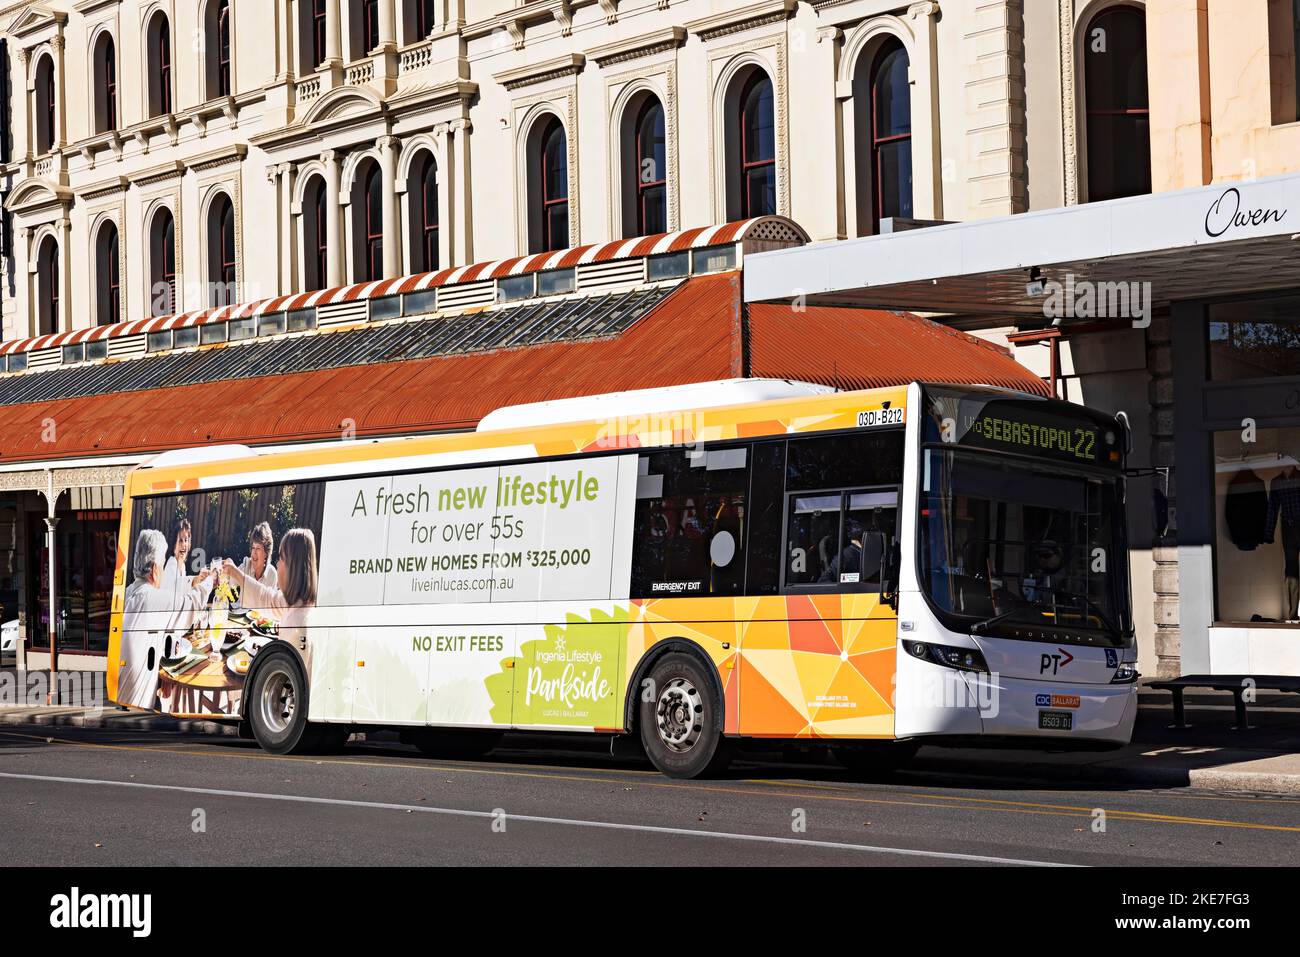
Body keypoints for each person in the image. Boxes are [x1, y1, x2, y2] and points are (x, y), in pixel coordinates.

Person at [119, 529, 206, 709]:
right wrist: (210, 580)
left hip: (121, 696)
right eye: (162, 563)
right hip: (137, 706)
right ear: (154, 568)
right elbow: (192, 604)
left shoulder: (127, 593)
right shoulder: (151, 598)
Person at [223, 527, 318, 668]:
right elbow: (266, 597)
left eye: (281, 558)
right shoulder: (293, 602)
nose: (278, 563)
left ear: (293, 566)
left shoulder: (299, 626)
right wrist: (235, 573)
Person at [232, 522, 277, 613]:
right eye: (253, 548)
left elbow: (269, 606)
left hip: (260, 621)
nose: (254, 553)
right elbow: (230, 581)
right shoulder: (246, 566)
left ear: (266, 553)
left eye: (258, 548)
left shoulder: (272, 574)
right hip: (240, 617)